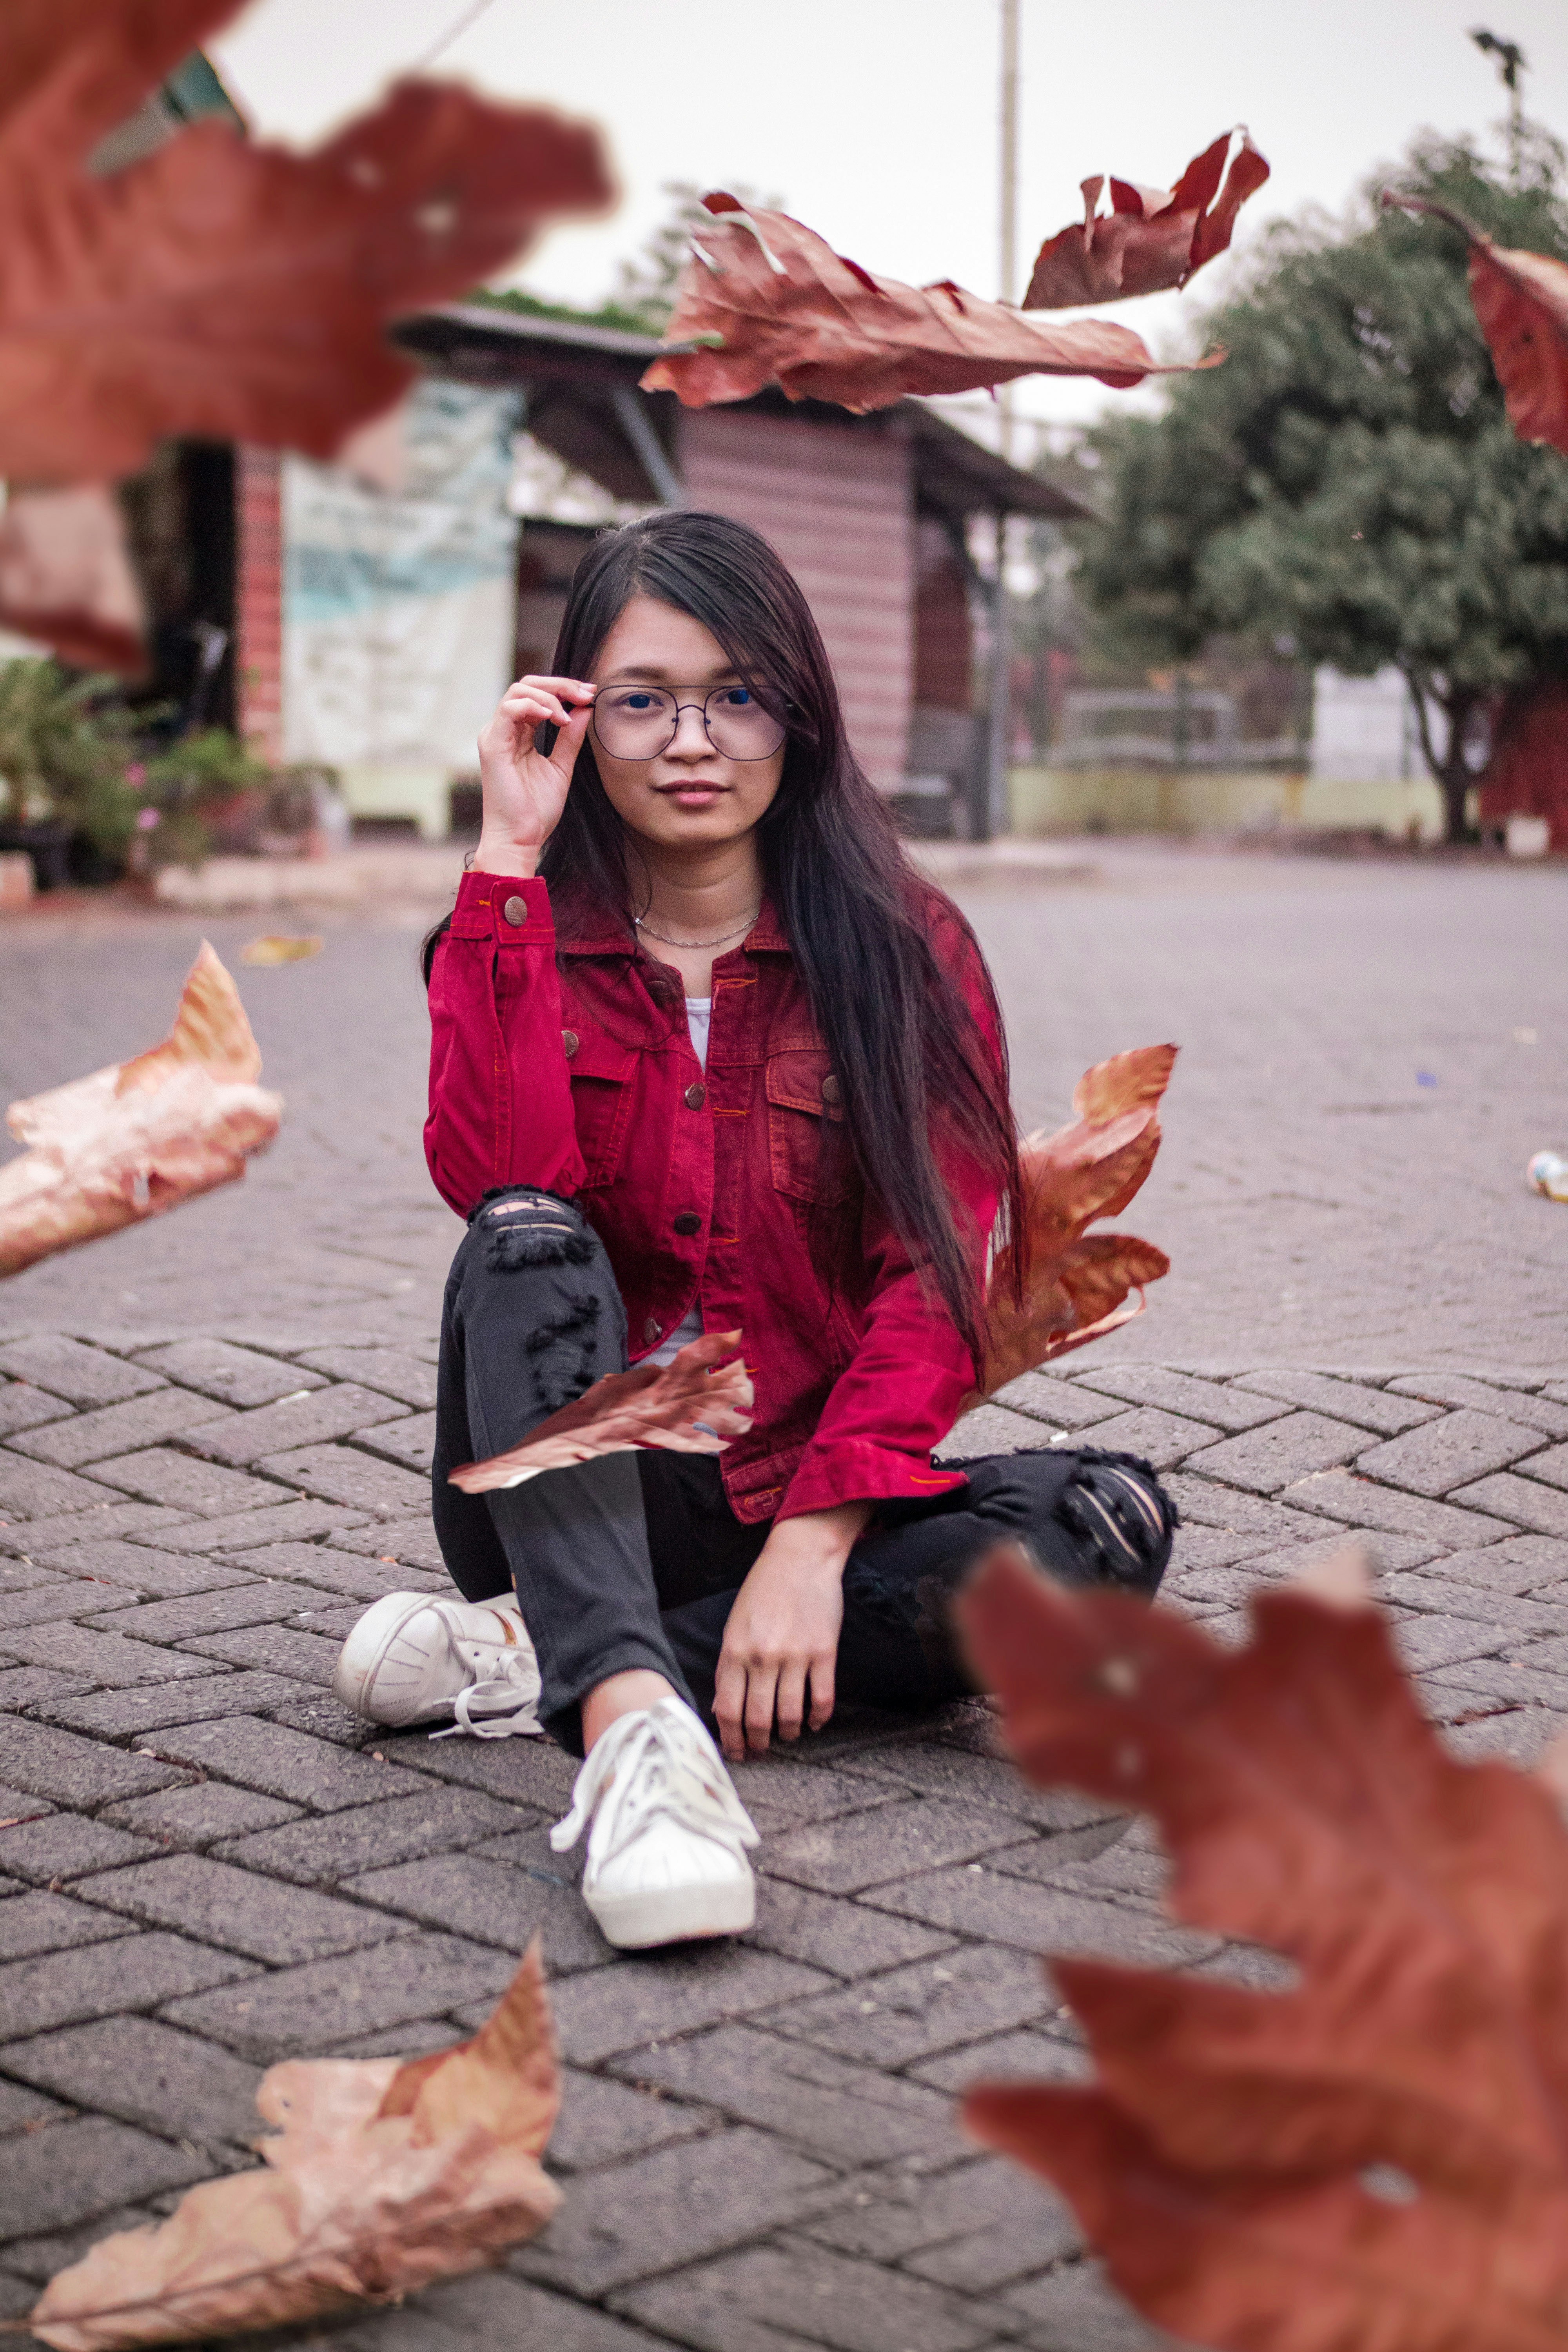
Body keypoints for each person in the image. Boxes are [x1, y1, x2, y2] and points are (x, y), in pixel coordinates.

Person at [331, 510, 1174, 1953]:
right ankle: (636, 1742)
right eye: (645, 699)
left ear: (798, 710)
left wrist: (816, 1540)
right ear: (578, 721)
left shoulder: (908, 949)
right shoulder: (514, 929)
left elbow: (934, 1273)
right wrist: (505, 862)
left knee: (1097, 1526)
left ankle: (552, 1652)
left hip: (800, 1473)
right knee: (530, 1227)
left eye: (737, 694)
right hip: (578, 1477)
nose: (693, 740)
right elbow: (494, 1183)